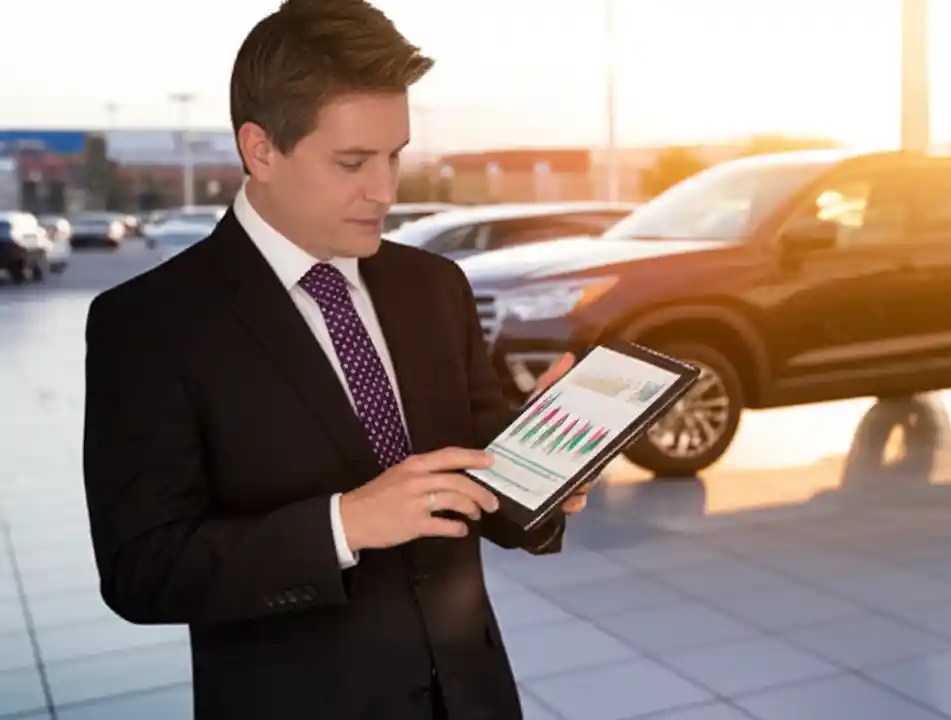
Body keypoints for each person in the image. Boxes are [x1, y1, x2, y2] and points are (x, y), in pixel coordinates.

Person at [81, 1, 590, 717]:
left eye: (395, 154)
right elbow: (142, 570)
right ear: (260, 150)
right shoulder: (149, 324)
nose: (385, 190)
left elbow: (473, 473)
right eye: (352, 162)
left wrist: (539, 466)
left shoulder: (434, 285)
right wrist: (342, 525)